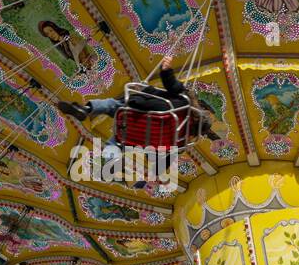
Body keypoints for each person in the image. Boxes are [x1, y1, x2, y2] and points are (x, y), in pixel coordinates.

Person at [58, 52, 223, 180]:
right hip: (138, 138)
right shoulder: (181, 142)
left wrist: (166, 69)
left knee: (111, 105)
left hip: (139, 111)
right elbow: (160, 166)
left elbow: (171, 84)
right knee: (115, 143)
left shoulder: (186, 102)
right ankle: (110, 164)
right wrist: (154, 171)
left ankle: (86, 109)